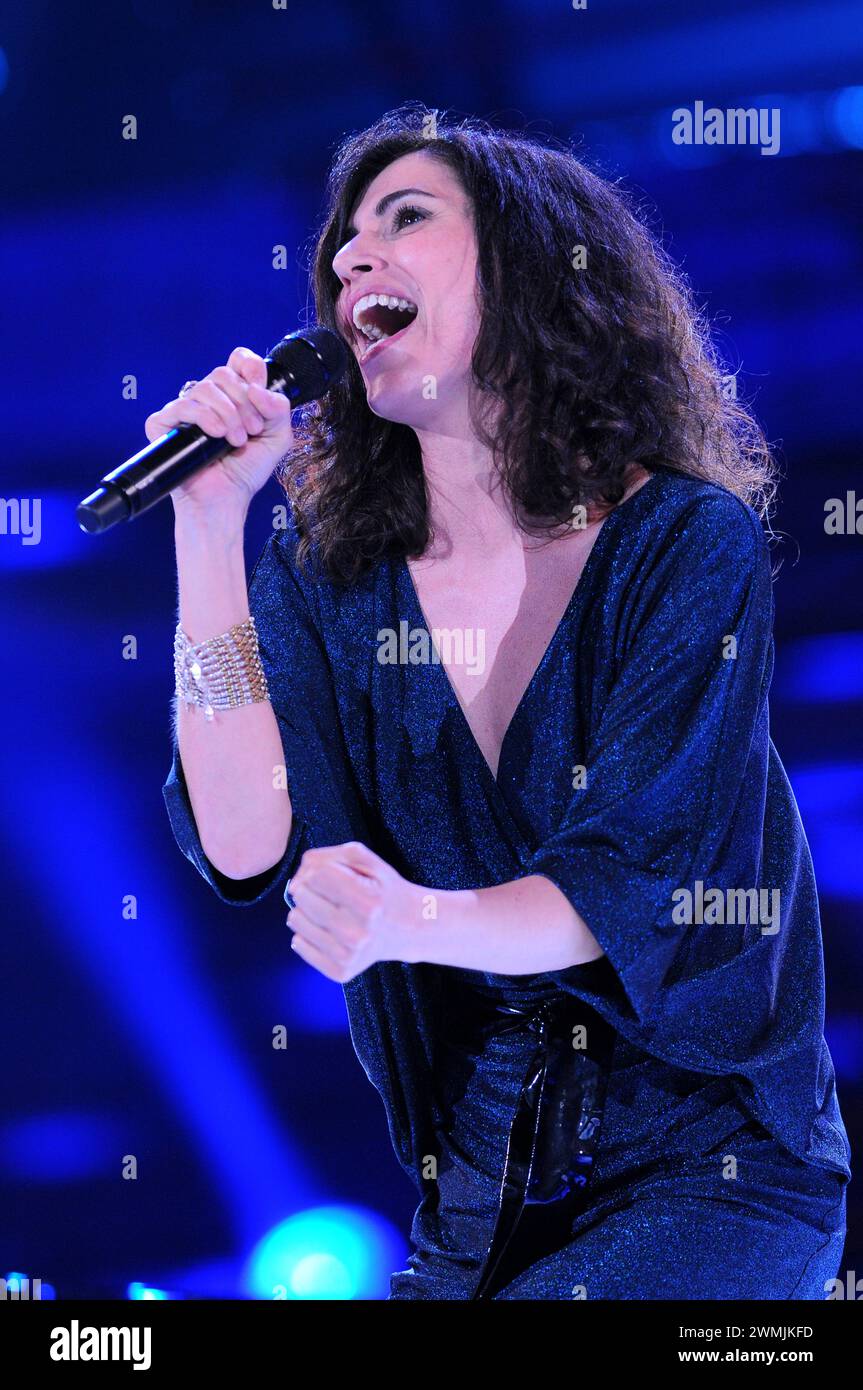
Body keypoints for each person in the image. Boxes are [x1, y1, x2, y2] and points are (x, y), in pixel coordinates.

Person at [155, 105, 851, 1300]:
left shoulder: (680, 544)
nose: (348, 260)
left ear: (529, 270)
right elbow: (241, 833)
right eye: (341, 244)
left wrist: (405, 920)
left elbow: (629, 885)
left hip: (708, 1176)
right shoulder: (331, 581)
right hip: (475, 1214)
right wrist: (209, 532)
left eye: (404, 218)